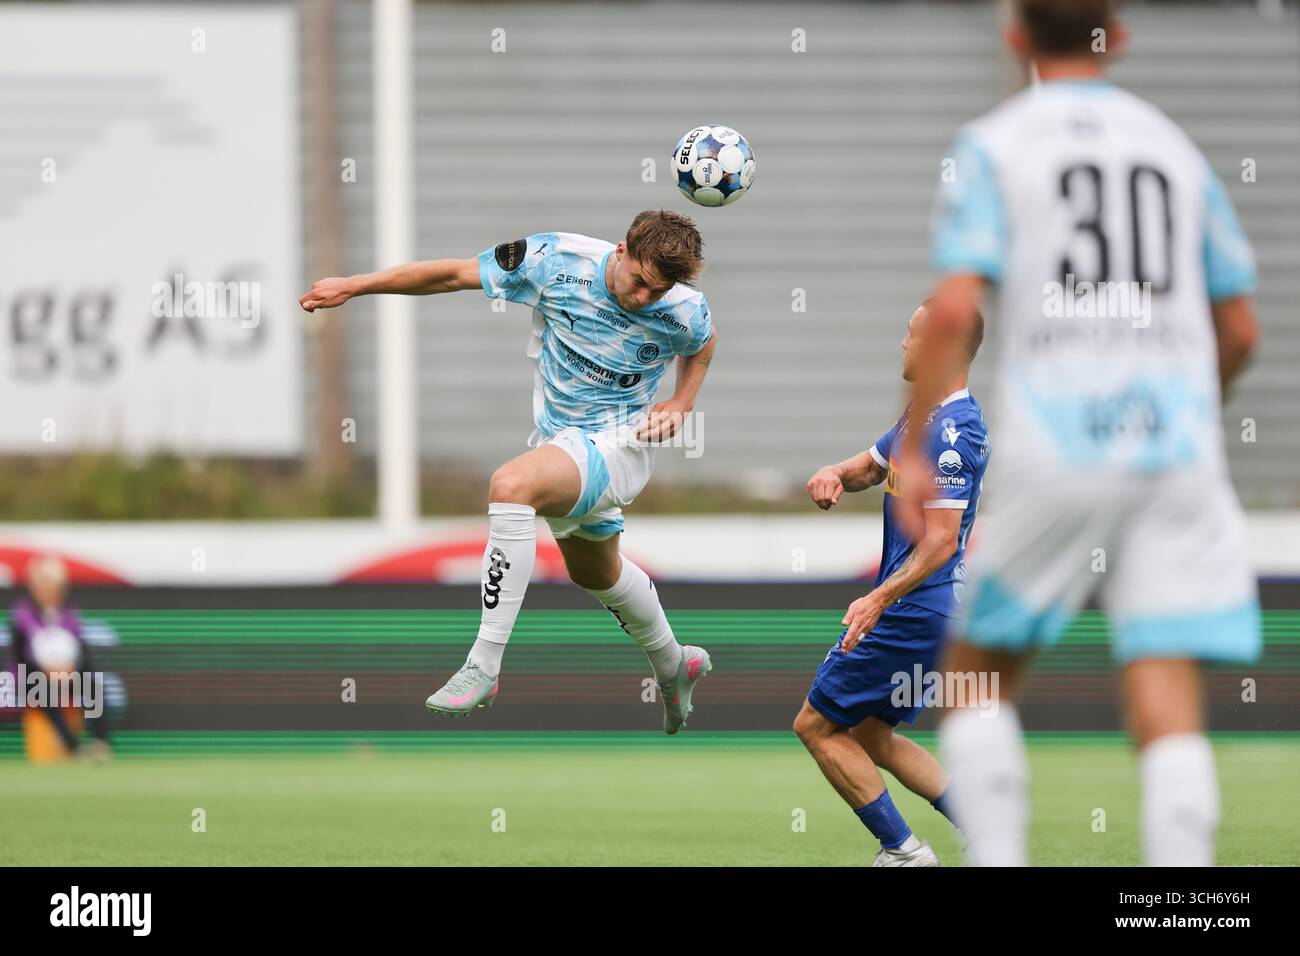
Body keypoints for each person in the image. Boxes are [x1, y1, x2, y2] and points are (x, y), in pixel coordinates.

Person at [899, 0, 1261, 865]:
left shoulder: (996, 143)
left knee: (978, 671)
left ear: (1014, 35)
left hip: (1059, 446)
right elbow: (1241, 327)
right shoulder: (1174, 148)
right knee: (1166, 691)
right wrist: (1189, 408)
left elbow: (954, 304)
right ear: (1120, 36)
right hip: (1175, 454)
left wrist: (913, 448)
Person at [300, 210, 717, 733]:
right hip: (561, 441)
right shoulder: (553, 260)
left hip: (622, 445)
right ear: (621, 251)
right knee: (595, 572)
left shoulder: (682, 307)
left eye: (656, 292)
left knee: (511, 486)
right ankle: (675, 665)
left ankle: (484, 664)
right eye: (638, 282)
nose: (642, 299)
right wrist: (356, 285)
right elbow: (453, 274)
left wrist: (681, 401)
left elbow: (702, 344)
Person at [793, 300, 988, 866]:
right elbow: (873, 467)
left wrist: (878, 598)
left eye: (914, 336)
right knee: (874, 737)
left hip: (913, 609)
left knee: (816, 726)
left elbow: (941, 540)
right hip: (925, 611)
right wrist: (834, 471)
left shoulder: (955, 432)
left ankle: (902, 850)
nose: (904, 345)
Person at [5, 555, 112, 762]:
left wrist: (71, 669)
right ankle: (73, 746)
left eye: (53, 585)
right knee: (41, 691)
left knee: (92, 685)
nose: (49, 591)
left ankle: (100, 742)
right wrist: (47, 672)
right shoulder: (21, 615)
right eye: (43, 585)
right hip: (33, 677)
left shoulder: (71, 615)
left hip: (67, 675)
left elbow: (82, 653)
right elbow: (19, 657)